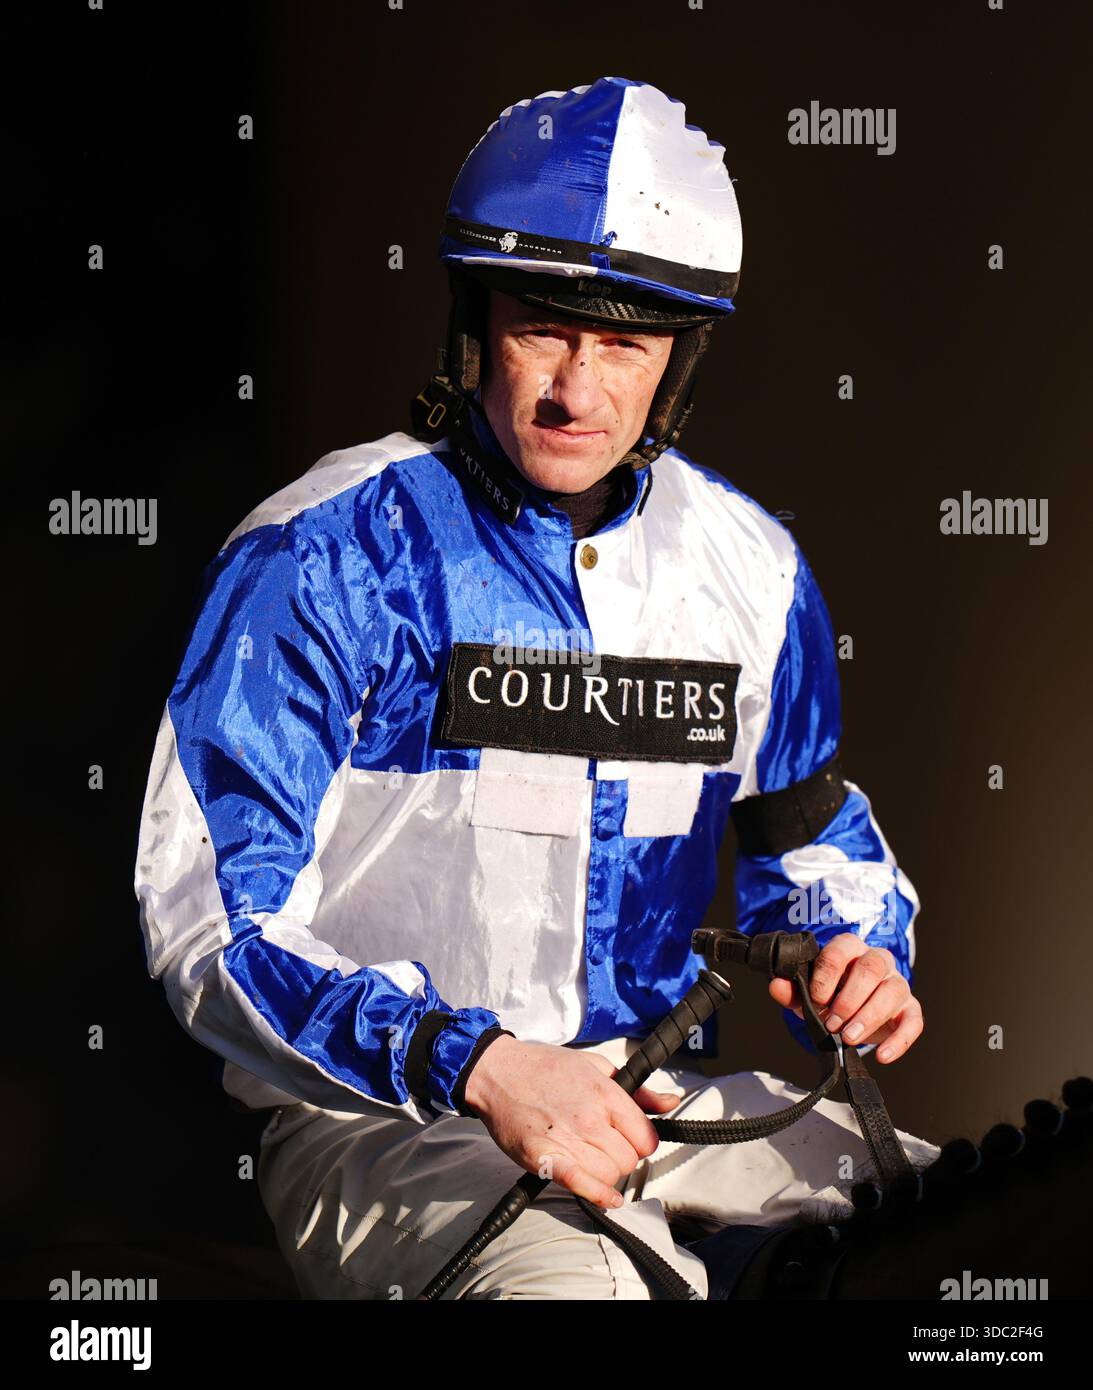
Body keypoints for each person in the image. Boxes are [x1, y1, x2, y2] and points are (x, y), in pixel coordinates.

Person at [134, 76, 937, 1301]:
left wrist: (852, 946)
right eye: (542, 328)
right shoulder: (318, 554)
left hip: (663, 1105)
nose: (577, 388)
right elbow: (210, 931)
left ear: (679, 356)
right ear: (474, 319)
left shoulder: (753, 569)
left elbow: (808, 829)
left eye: (623, 340)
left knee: (997, 1242)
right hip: (393, 1128)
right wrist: (480, 1063)